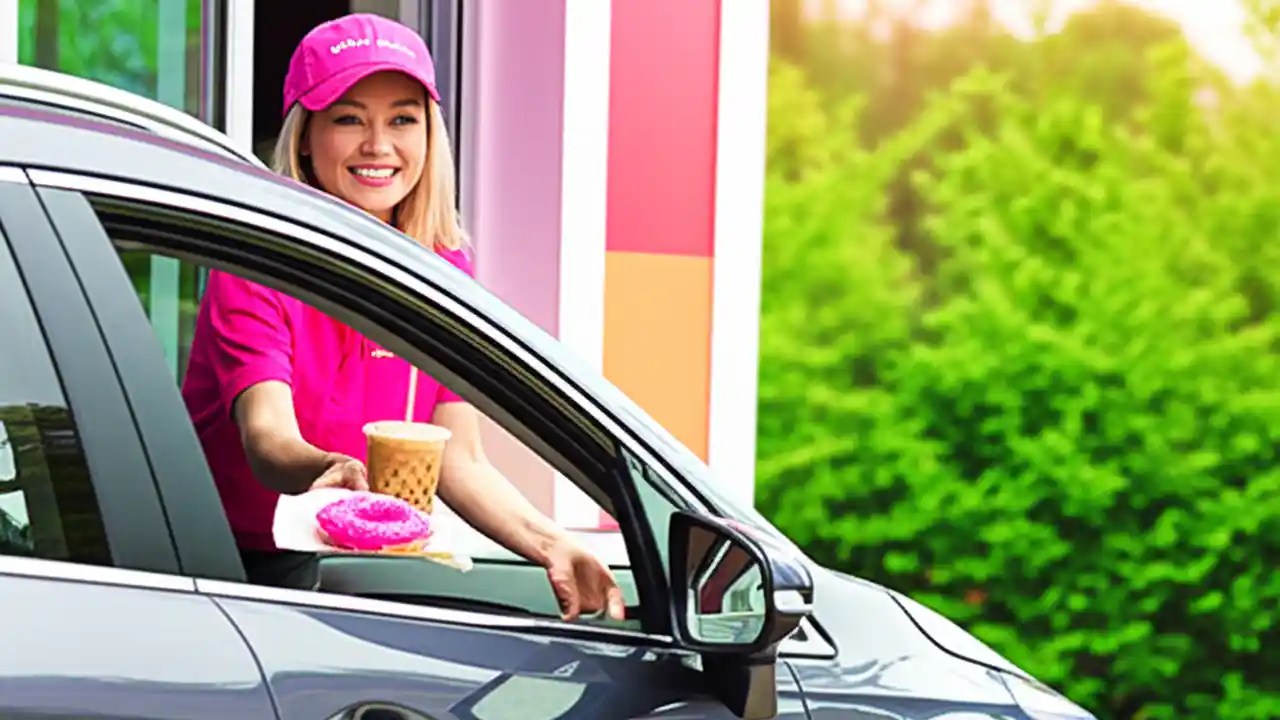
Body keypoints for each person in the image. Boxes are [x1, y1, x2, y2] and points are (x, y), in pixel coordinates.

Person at [180, 13, 624, 623]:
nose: (378, 146)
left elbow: (457, 458)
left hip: (343, 558)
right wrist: (326, 467)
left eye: (402, 120)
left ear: (428, 134)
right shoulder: (261, 260)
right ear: (305, 136)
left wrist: (553, 545)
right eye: (349, 119)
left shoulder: (442, 269)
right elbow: (267, 440)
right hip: (222, 563)